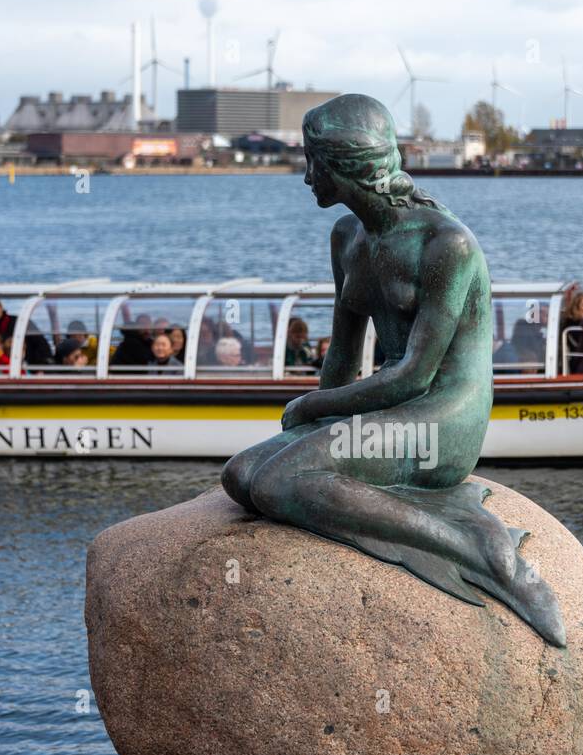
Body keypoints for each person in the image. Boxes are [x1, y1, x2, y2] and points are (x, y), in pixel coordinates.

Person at [220, 92, 565, 646]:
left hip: (442, 416)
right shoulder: (347, 238)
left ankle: (481, 553)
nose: (306, 176)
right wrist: (312, 422)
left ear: (346, 165)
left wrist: (313, 409)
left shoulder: (445, 244)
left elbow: (415, 375)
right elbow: (342, 353)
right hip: (389, 407)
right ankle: (396, 509)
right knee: (241, 476)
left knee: (285, 479)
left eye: (314, 161)